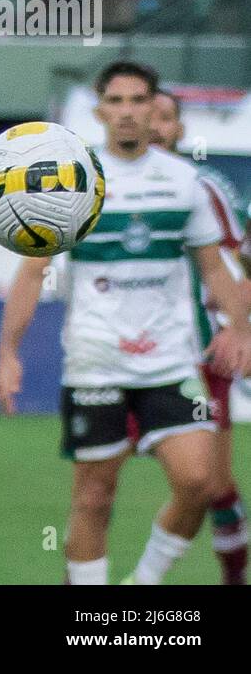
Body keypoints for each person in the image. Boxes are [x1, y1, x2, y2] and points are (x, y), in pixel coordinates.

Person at [0, 61, 251, 585]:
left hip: (170, 361)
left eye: (139, 101)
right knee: (94, 494)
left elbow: (214, 270)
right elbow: (31, 273)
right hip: (97, 362)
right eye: (116, 102)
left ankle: (140, 588)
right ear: (99, 111)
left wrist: (241, 328)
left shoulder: (186, 183)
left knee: (199, 481)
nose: (128, 112)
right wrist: (8, 352)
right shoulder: (71, 184)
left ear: (153, 106)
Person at [151, 87, 248, 584]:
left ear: (180, 129)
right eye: (146, 114)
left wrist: (237, 327)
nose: (152, 125)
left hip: (195, 358)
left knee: (213, 483)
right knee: (94, 486)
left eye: (165, 117)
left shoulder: (204, 188)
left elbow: (241, 263)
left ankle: (232, 577)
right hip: (116, 356)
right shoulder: (100, 187)